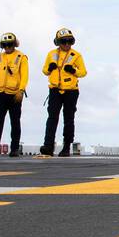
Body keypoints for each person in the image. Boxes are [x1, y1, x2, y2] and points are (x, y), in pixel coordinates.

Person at [41, 27, 87, 157]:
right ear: (58, 42)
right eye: (63, 41)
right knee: (52, 118)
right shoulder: (51, 54)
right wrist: (49, 69)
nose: (66, 44)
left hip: (71, 91)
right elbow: (44, 71)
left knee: (68, 119)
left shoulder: (76, 55)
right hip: (55, 90)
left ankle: (66, 146)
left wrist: (74, 71)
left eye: (69, 41)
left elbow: (83, 72)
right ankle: (48, 146)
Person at [0, 32, 28, 157]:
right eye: (5, 45)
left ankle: (14, 149)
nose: (8, 47)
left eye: (10, 44)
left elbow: (25, 75)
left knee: (15, 122)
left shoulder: (21, 57)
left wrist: (21, 90)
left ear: (14, 44)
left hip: (14, 94)